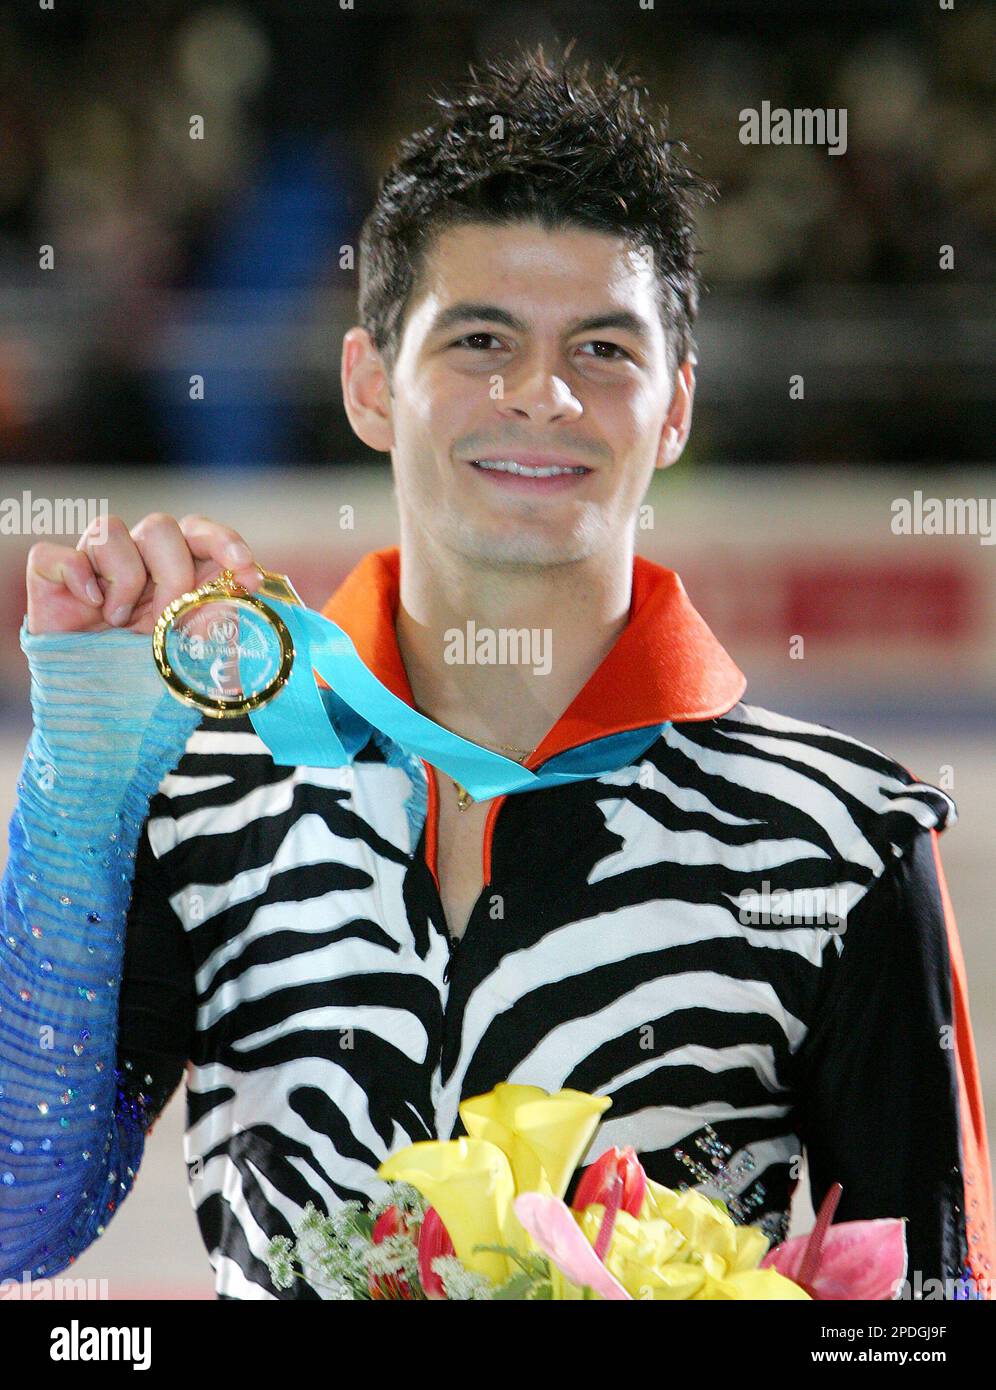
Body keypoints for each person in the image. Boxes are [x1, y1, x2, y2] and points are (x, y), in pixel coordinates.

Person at [1, 46, 992, 1301]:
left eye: (604, 350)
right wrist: (82, 784)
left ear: (676, 408)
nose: (541, 395)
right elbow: (16, 1217)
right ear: (370, 384)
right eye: (479, 339)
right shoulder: (208, 803)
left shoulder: (846, 840)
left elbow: (927, 1316)